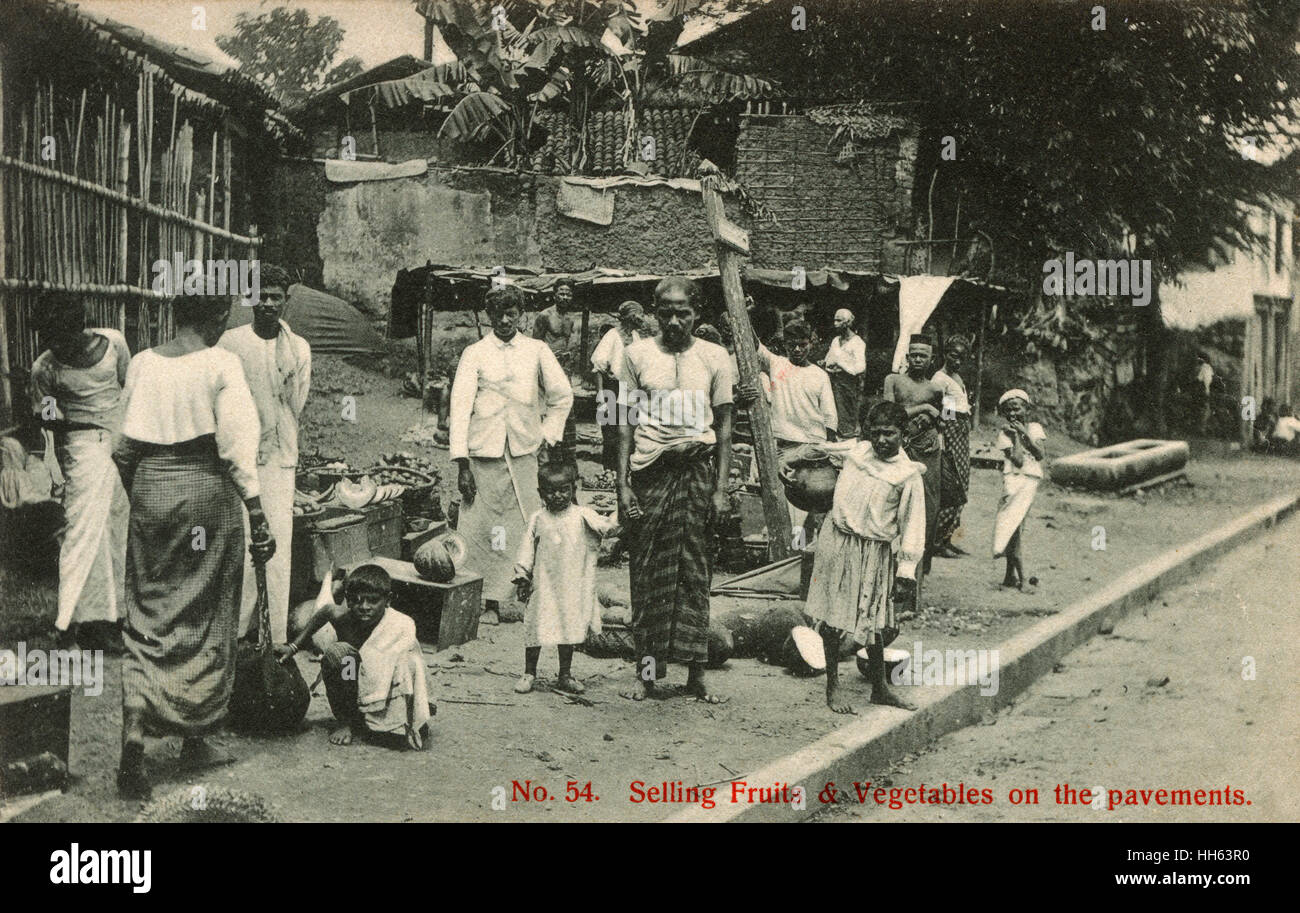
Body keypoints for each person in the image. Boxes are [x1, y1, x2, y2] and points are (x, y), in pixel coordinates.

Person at [112, 294, 275, 799]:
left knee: (148, 612)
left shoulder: (141, 363)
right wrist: (257, 512)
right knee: (205, 611)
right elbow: (237, 447)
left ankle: (135, 733)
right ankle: (195, 737)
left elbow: (121, 448)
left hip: (150, 489)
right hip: (205, 493)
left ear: (174, 317)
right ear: (218, 319)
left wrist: (148, 497)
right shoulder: (221, 362)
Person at [617, 276, 733, 703]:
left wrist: (721, 488)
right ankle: (646, 675)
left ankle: (696, 677)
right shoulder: (635, 355)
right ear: (654, 312)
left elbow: (724, 425)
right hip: (650, 475)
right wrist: (623, 485)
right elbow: (623, 422)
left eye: (682, 311)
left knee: (695, 574)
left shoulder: (716, 356)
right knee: (646, 574)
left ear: (696, 313)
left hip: (697, 475)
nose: (673, 320)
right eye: (664, 311)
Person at [450, 284, 573, 627]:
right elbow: (459, 408)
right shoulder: (474, 353)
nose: (505, 321)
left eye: (511, 314)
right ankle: (486, 600)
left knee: (527, 521)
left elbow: (562, 396)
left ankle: (526, 596)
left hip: (524, 449)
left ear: (521, 315)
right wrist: (462, 463)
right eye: (498, 315)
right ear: (488, 317)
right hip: (484, 450)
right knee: (483, 526)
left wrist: (548, 436)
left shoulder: (536, 350)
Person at [800, 401, 923, 714]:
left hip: (875, 550)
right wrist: (798, 457)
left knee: (875, 621)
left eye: (890, 434)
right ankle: (832, 684)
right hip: (838, 541)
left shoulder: (907, 475)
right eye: (877, 433)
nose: (882, 440)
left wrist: (906, 571)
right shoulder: (857, 453)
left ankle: (880, 687)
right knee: (832, 616)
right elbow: (821, 449)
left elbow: (913, 525)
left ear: (903, 434)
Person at [28, 292, 130, 652]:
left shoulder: (114, 342)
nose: (56, 345)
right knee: (85, 530)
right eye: (49, 338)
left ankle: (114, 616)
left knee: (117, 528)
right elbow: (47, 418)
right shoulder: (46, 367)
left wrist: (125, 442)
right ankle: (73, 620)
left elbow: (127, 389)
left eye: (62, 335)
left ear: (79, 327)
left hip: (120, 441)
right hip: (83, 448)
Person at [218, 264, 311, 643]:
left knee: (275, 542)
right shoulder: (231, 343)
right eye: (262, 296)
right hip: (238, 455)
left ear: (286, 300)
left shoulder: (298, 348)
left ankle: (269, 633)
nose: (268, 304)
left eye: (276, 297)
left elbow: (297, 404)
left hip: (279, 457)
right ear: (250, 298)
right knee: (238, 542)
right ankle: (236, 628)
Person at [277, 564, 433, 749]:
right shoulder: (343, 617)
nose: (364, 607)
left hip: (386, 685)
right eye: (357, 601)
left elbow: (412, 669)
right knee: (340, 654)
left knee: (410, 660)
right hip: (351, 679)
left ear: (388, 600)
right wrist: (293, 647)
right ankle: (346, 721)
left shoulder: (399, 624)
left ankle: (401, 719)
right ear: (348, 601)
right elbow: (323, 613)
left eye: (373, 601)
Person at [512, 462, 619, 694]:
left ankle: (565, 674)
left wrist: (623, 513)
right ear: (541, 493)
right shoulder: (538, 518)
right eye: (551, 491)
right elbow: (527, 548)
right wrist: (522, 575)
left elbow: (608, 528)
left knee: (568, 628)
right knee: (535, 627)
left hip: (571, 584)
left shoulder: (583, 515)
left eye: (564, 490)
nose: (558, 495)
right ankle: (529, 672)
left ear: (574, 489)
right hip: (543, 584)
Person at [736, 321, 838, 542]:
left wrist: (828, 452)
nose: (798, 350)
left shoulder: (820, 375)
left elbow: (830, 418)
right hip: (782, 446)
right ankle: (786, 554)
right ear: (785, 345)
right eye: (792, 345)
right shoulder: (776, 363)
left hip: (812, 448)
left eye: (802, 344)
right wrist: (747, 312)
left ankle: (806, 551)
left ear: (811, 343)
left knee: (812, 508)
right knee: (784, 505)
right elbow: (752, 343)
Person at [883, 335, 944, 574]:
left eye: (923, 356)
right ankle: (890, 562)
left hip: (928, 451)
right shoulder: (894, 380)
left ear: (931, 360)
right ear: (907, 357)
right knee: (893, 502)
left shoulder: (937, 388)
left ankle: (920, 565)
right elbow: (888, 414)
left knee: (928, 505)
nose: (918, 359)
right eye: (914, 355)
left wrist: (932, 416)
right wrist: (925, 408)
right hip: (899, 450)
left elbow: (948, 420)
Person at [992, 389, 1047, 589]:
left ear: (1026, 408)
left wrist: (1023, 434)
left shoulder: (1035, 428)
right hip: (1014, 480)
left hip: (1030, 481)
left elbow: (1040, 454)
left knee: (1016, 526)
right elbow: (1018, 460)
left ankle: (1009, 576)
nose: (1013, 414)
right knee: (1012, 525)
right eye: (1008, 410)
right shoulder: (1004, 435)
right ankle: (1022, 578)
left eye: (1017, 408)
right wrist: (1015, 437)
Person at [591, 301, 646, 471]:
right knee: (611, 430)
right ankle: (611, 471)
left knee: (630, 429)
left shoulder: (636, 337)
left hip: (630, 389)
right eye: (639, 314)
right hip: (612, 387)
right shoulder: (612, 336)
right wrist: (601, 397)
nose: (642, 318)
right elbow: (598, 367)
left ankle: (626, 470)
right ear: (629, 316)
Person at [930, 336, 972, 558]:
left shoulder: (955, 376)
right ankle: (938, 540)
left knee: (963, 484)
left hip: (961, 432)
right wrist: (945, 438)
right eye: (953, 355)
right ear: (945, 354)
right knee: (954, 484)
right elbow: (944, 411)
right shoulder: (940, 379)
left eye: (961, 357)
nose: (957, 360)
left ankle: (949, 537)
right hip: (951, 433)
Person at [820, 308, 866, 439]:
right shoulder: (835, 340)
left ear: (848, 323)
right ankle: (831, 436)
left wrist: (840, 363)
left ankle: (847, 438)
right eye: (835, 320)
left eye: (839, 320)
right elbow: (829, 357)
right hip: (831, 380)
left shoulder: (858, 343)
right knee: (829, 408)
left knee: (845, 411)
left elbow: (860, 367)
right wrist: (825, 362)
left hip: (847, 382)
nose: (835, 323)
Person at [533, 278, 577, 376]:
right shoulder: (545, 315)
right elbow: (535, 343)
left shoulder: (570, 318)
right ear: (554, 296)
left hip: (565, 365)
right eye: (561, 294)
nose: (565, 297)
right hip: (548, 364)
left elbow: (571, 342)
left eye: (568, 295)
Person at [1194, 352, 1214, 435]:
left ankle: (1201, 428)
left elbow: (1202, 379)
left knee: (1204, 409)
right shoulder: (1209, 368)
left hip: (1204, 390)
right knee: (1206, 409)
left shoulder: (1204, 368)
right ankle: (1202, 428)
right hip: (1207, 390)